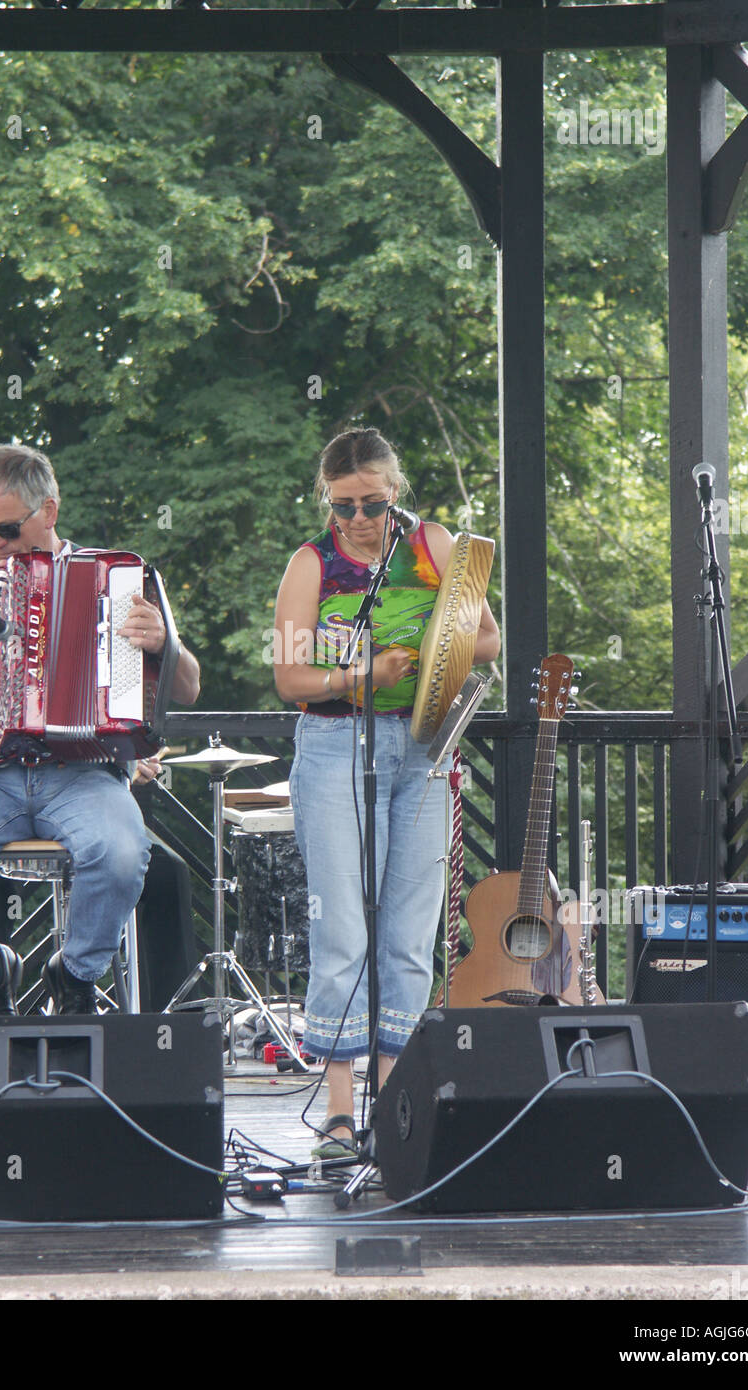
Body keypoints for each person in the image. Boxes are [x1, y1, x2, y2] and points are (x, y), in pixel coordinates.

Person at [0, 443, 200, 1016]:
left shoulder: (119, 582)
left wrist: (165, 644)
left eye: (6, 528)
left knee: (122, 856)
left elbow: (189, 688)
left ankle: (74, 974)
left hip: (85, 774)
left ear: (48, 511)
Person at [273, 428, 500, 1158]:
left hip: (424, 741)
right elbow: (288, 678)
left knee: (409, 929)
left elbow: (490, 640)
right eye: (343, 507)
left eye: (371, 502)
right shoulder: (311, 564)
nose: (360, 519)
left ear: (394, 491)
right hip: (337, 742)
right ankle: (340, 1114)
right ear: (326, 502)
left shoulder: (433, 545)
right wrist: (354, 677)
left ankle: (394, 1102)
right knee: (343, 927)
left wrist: (441, 641)